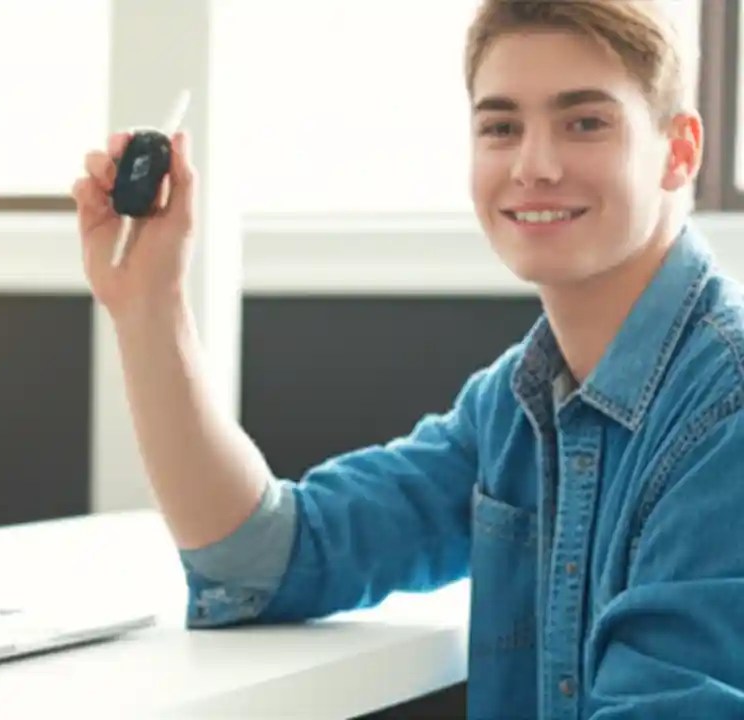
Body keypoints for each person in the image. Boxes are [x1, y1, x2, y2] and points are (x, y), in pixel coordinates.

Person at [70, 1, 744, 717]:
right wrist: (148, 303)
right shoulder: (515, 406)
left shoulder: (725, 412)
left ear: (680, 150)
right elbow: (264, 558)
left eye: (585, 122)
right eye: (501, 126)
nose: (534, 165)